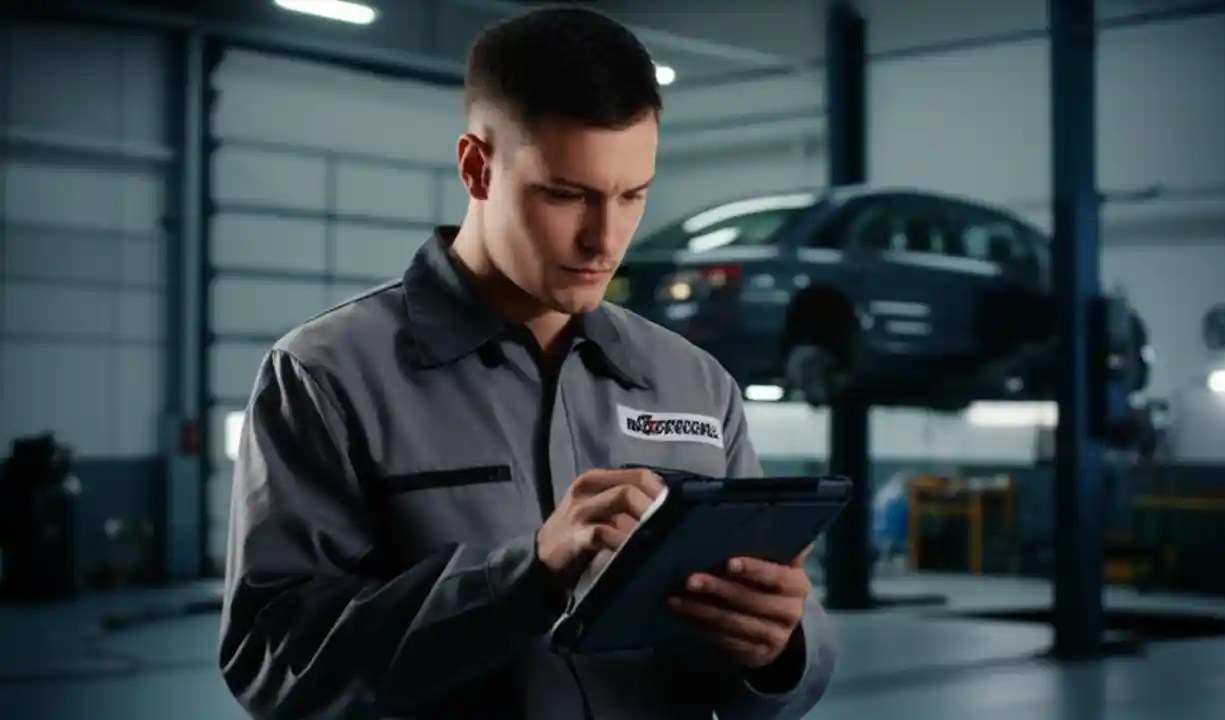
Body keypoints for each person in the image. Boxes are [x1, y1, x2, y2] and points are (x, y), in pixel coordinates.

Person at [218, 7, 835, 719]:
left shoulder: (695, 385)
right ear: (477, 167)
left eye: (632, 195)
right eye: (566, 194)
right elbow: (272, 662)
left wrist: (778, 649)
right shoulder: (327, 379)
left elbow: (772, 670)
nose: (606, 239)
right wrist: (525, 579)